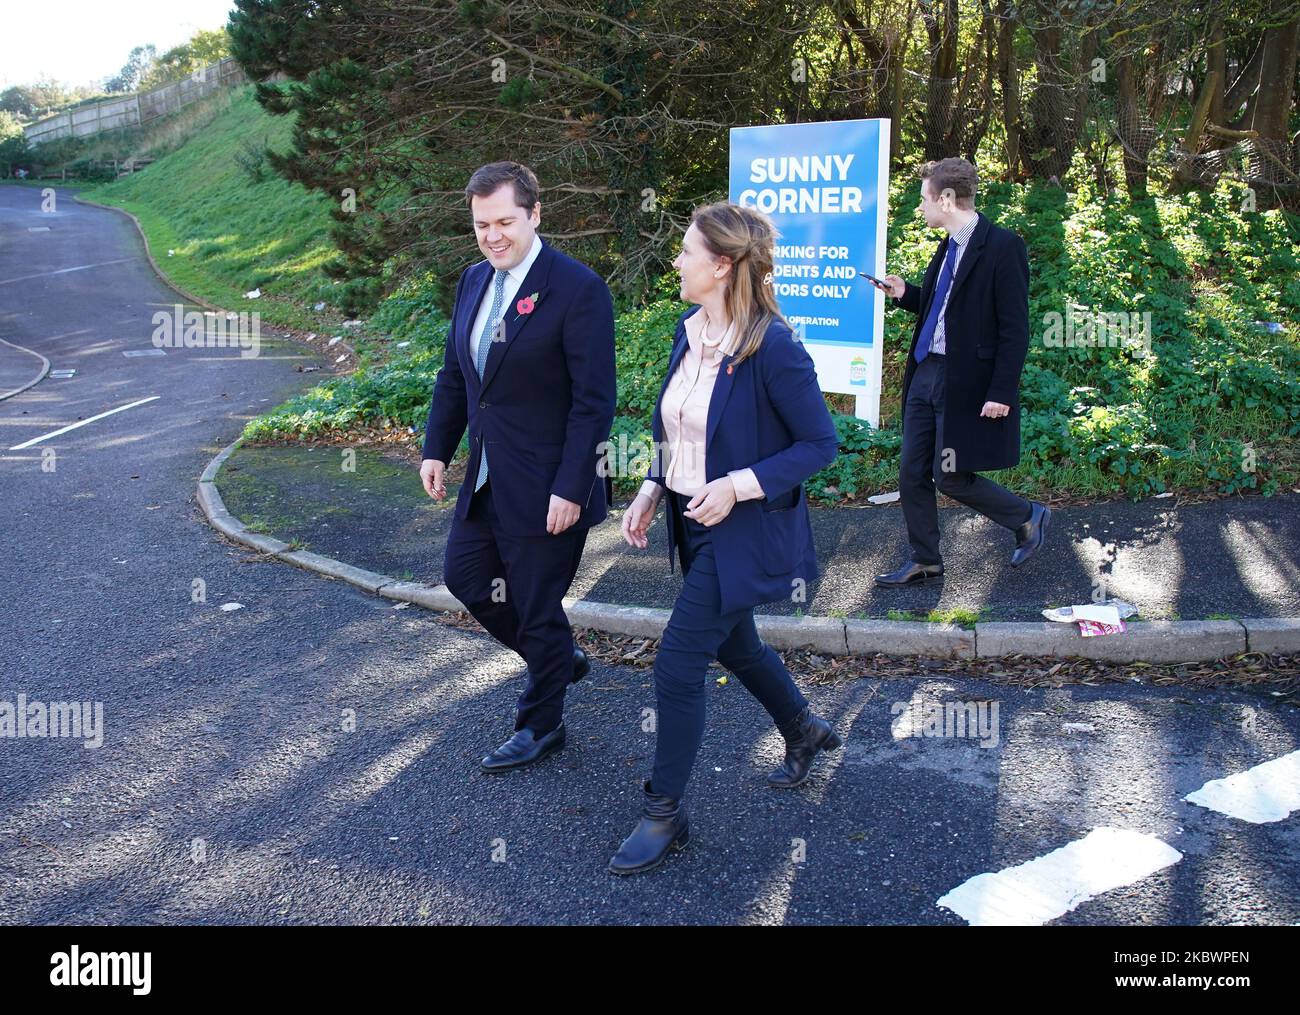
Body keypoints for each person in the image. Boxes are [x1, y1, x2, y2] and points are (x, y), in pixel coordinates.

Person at [613, 201, 840, 875]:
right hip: (693, 522)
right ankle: (803, 728)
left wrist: (739, 482)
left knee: (678, 662)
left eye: (686, 252)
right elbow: (679, 427)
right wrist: (653, 488)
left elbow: (819, 444)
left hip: (743, 532)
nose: (676, 261)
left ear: (721, 264)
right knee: (736, 642)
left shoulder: (773, 345)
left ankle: (664, 811)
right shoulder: (692, 331)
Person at [419, 161, 616, 772]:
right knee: (466, 577)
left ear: (535, 214)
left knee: (534, 604)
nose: (493, 235)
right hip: (485, 475)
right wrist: (436, 447)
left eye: (506, 220)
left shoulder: (577, 289)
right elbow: (457, 375)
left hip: (550, 484)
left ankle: (542, 724)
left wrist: (571, 487)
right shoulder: (474, 281)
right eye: (482, 224)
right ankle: (558, 656)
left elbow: (593, 402)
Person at [874, 157, 1049, 588]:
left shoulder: (1003, 246)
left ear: (947, 199)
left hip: (963, 380)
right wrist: (905, 294)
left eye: (924, 200)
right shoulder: (947, 245)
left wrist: (1001, 390)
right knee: (912, 473)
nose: (920, 208)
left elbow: (1014, 328)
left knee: (950, 475)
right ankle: (926, 560)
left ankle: (1027, 516)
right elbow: (944, 311)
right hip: (925, 373)